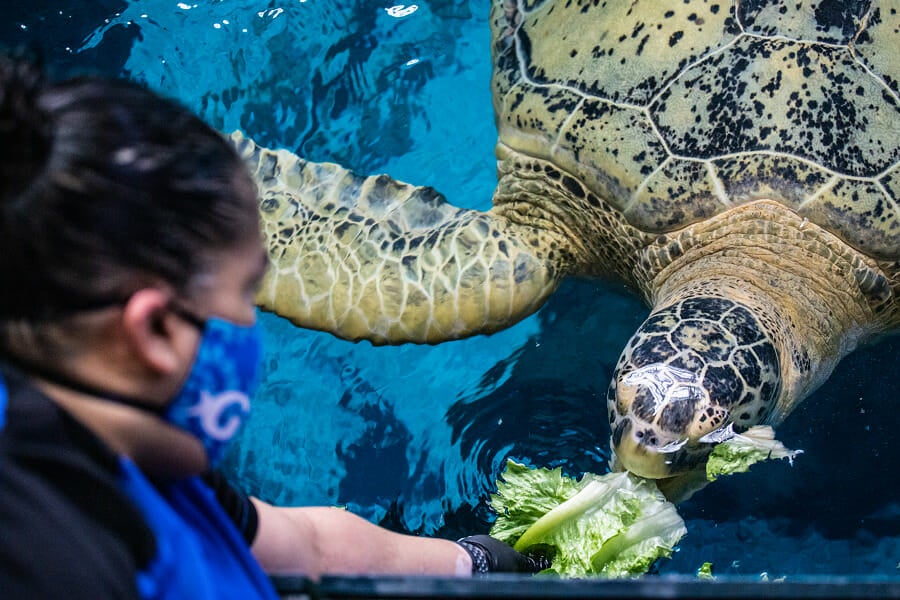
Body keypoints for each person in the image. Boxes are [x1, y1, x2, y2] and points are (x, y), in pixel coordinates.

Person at [0, 54, 547, 599]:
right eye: (246, 291)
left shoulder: (134, 445)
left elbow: (310, 545)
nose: (251, 319)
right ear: (155, 330)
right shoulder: (66, 571)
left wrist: (473, 561)